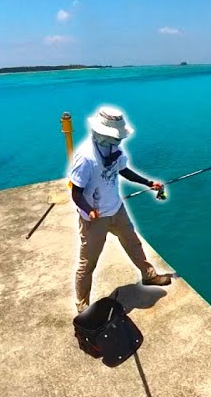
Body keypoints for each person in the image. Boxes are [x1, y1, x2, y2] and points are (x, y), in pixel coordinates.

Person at [68, 107, 173, 314]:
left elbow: (123, 170)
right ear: (101, 134)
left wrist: (148, 183)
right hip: (94, 219)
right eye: (115, 137)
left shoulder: (114, 151)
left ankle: (148, 275)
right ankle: (82, 305)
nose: (119, 141)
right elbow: (76, 193)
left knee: (133, 243)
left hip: (117, 209)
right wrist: (89, 211)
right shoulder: (85, 158)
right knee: (87, 263)